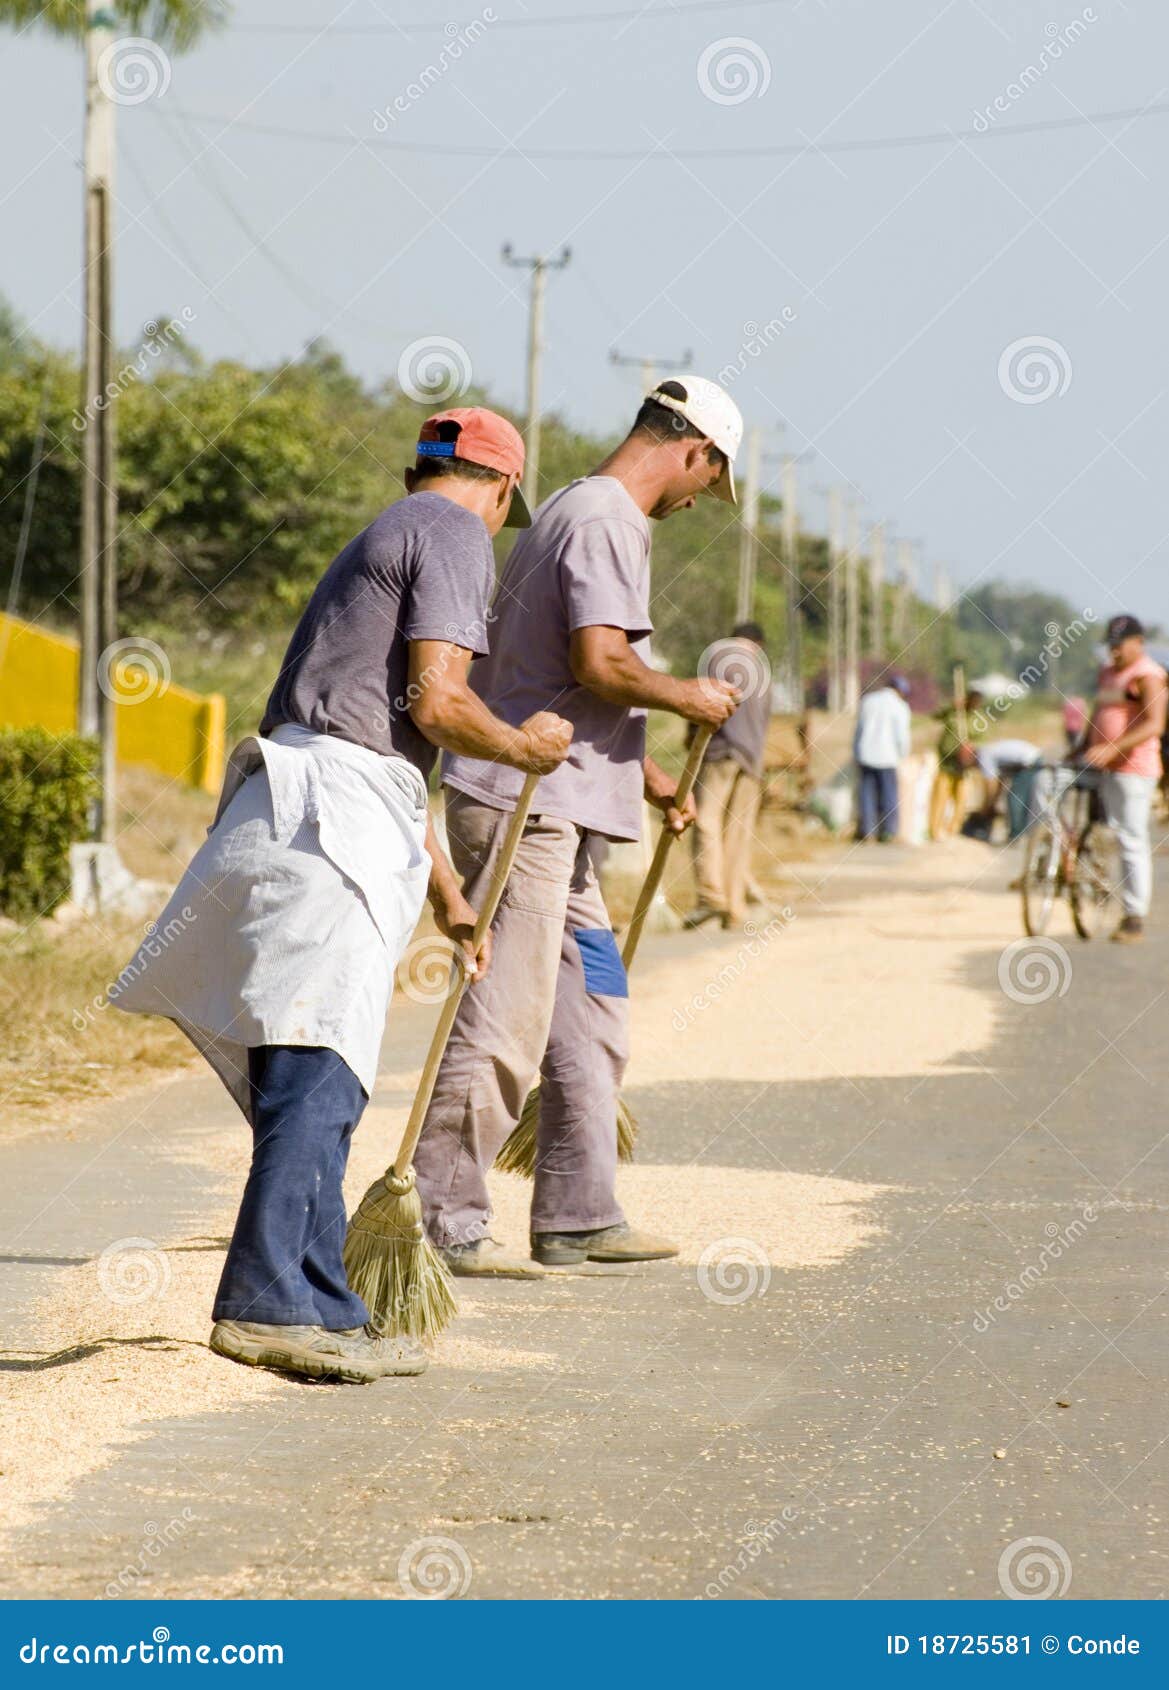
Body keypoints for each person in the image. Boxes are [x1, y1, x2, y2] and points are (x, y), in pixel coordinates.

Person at [111, 408, 573, 1383]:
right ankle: (264, 1301)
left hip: (298, 811)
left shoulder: (383, 534)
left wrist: (446, 890)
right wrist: (522, 745)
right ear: (500, 489)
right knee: (318, 1064)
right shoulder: (454, 531)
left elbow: (378, 731)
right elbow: (437, 703)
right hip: (330, 822)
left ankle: (322, 1300)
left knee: (318, 1069)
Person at [412, 376, 744, 1275]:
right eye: (706, 483)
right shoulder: (605, 519)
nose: (695, 501)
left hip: (568, 823)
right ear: (694, 451)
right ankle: (443, 1218)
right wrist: (688, 696)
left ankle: (578, 1214)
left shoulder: (583, 509)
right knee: (507, 1016)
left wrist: (652, 778)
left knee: (595, 1011)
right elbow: (600, 664)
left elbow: (563, 683)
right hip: (524, 811)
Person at [1081, 614, 1168, 942]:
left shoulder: (1148, 675)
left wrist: (1112, 748)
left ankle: (1134, 916)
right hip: (1104, 766)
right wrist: (1082, 746)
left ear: (1138, 643)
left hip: (1135, 769)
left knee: (1132, 839)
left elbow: (1154, 724)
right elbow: (1098, 713)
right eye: (1111, 645)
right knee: (1108, 833)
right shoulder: (1108, 673)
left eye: (1120, 645)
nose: (1115, 651)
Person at [684, 621, 771, 930]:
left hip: (719, 751)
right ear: (758, 644)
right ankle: (735, 909)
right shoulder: (762, 670)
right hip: (752, 759)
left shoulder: (718, 656)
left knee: (706, 822)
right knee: (737, 833)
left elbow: (699, 699)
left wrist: (690, 736)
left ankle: (711, 898)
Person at [853, 674, 911, 841]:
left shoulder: (868, 701)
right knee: (889, 794)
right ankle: (888, 832)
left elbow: (858, 730)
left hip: (865, 754)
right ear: (900, 691)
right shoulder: (900, 706)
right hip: (887, 757)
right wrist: (903, 755)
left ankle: (868, 831)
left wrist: (856, 752)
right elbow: (902, 737)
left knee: (867, 793)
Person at [929, 688, 984, 840]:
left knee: (961, 799)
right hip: (946, 764)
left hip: (962, 768)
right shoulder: (954, 713)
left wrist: (969, 750)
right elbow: (935, 716)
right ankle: (934, 831)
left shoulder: (978, 719)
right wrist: (951, 706)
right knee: (940, 797)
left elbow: (981, 739)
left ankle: (953, 830)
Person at [971, 738, 1044, 841]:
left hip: (1030, 761)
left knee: (1015, 798)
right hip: (1032, 758)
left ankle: (1016, 836)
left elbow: (991, 786)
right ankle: (1020, 834)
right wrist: (993, 803)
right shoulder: (989, 752)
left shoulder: (984, 756)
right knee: (1020, 798)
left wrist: (987, 807)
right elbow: (999, 783)